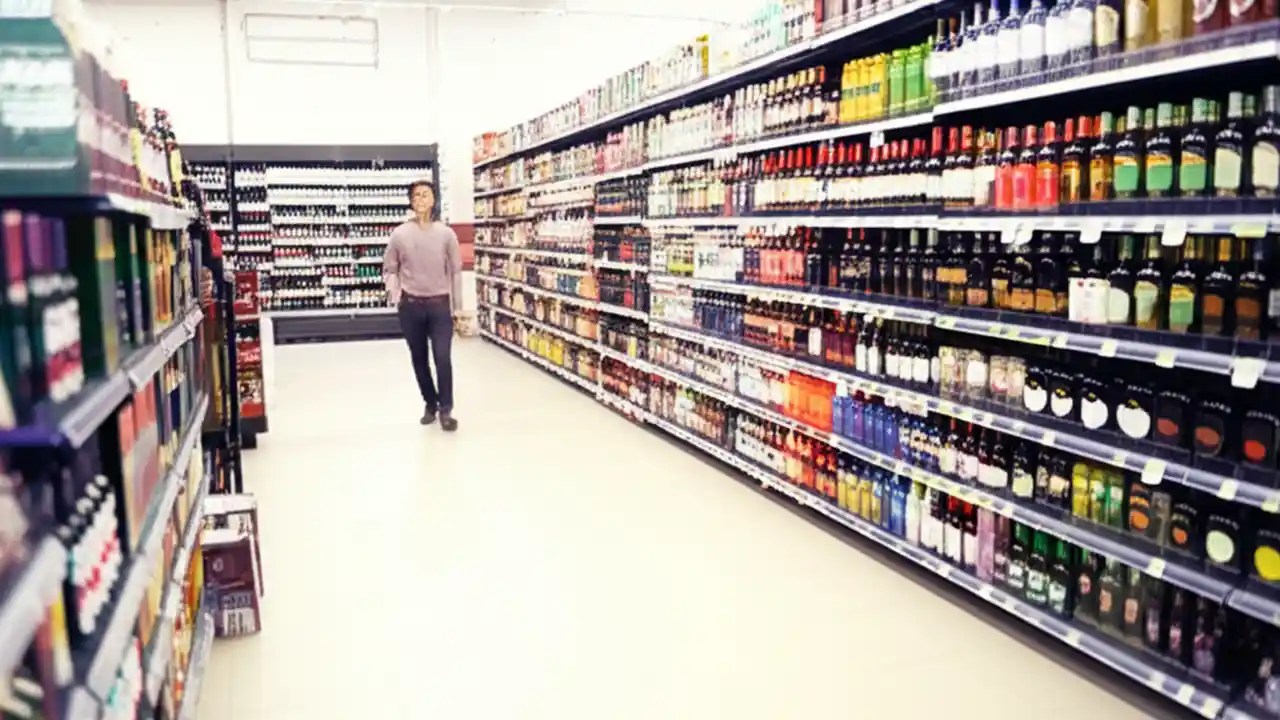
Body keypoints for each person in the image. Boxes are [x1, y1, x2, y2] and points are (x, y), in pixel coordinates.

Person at [383, 180, 463, 431]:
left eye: (425, 194)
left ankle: (446, 409)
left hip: (440, 305)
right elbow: (390, 268)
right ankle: (430, 402)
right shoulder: (399, 234)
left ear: (434, 200)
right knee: (419, 358)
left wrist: (457, 308)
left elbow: (456, 272)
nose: (420, 199)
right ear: (410, 201)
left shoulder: (446, 234)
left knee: (442, 358)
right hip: (411, 306)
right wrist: (396, 297)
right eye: (415, 195)